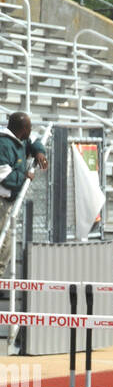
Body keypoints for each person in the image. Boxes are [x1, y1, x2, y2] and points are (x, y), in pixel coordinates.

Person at [0, 112, 48, 282]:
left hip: (7, 203)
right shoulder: (3, 144)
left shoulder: (19, 139)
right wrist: (25, 176)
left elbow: (34, 141)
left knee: (6, 249)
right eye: (29, 127)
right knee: (3, 246)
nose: (31, 131)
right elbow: (4, 177)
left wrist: (39, 152)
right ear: (24, 129)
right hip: (1, 202)